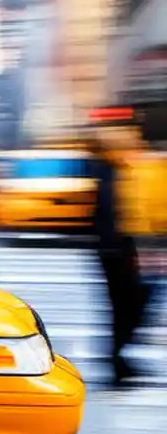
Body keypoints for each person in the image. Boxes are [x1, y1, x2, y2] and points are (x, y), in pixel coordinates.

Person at [89, 138, 148, 387]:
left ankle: (118, 359)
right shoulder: (108, 174)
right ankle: (116, 361)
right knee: (127, 306)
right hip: (115, 252)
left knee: (127, 306)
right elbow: (109, 216)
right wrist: (119, 249)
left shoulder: (115, 172)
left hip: (117, 250)